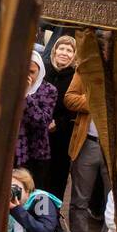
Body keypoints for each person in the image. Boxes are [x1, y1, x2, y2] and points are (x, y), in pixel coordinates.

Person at [63, 66, 106, 232]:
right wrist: (96, 101)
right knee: (80, 199)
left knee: (114, 202)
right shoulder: (86, 69)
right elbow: (69, 99)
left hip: (115, 149)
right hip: (87, 143)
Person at [40, 33, 79, 197]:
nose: (64, 53)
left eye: (69, 50)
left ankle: (51, 215)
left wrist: (59, 123)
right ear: (54, 51)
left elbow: (74, 108)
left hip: (61, 137)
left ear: (74, 55)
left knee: (56, 176)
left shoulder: (76, 77)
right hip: (39, 133)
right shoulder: (43, 70)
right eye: (61, 48)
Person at [15, 50, 57, 185]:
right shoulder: (10, 87)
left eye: (32, 72)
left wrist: (26, 96)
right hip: (13, 148)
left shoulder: (49, 90)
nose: (27, 76)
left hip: (35, 151)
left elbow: (42, 122)